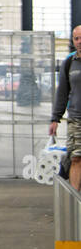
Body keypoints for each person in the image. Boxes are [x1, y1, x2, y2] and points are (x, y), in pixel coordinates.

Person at [50, 24, 81, 191]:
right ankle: (76, 202)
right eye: (76, 38)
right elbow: (62, 92)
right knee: (76, 158)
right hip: (77, 118)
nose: (79, 41)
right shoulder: (70, 62)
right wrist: (55, 118)